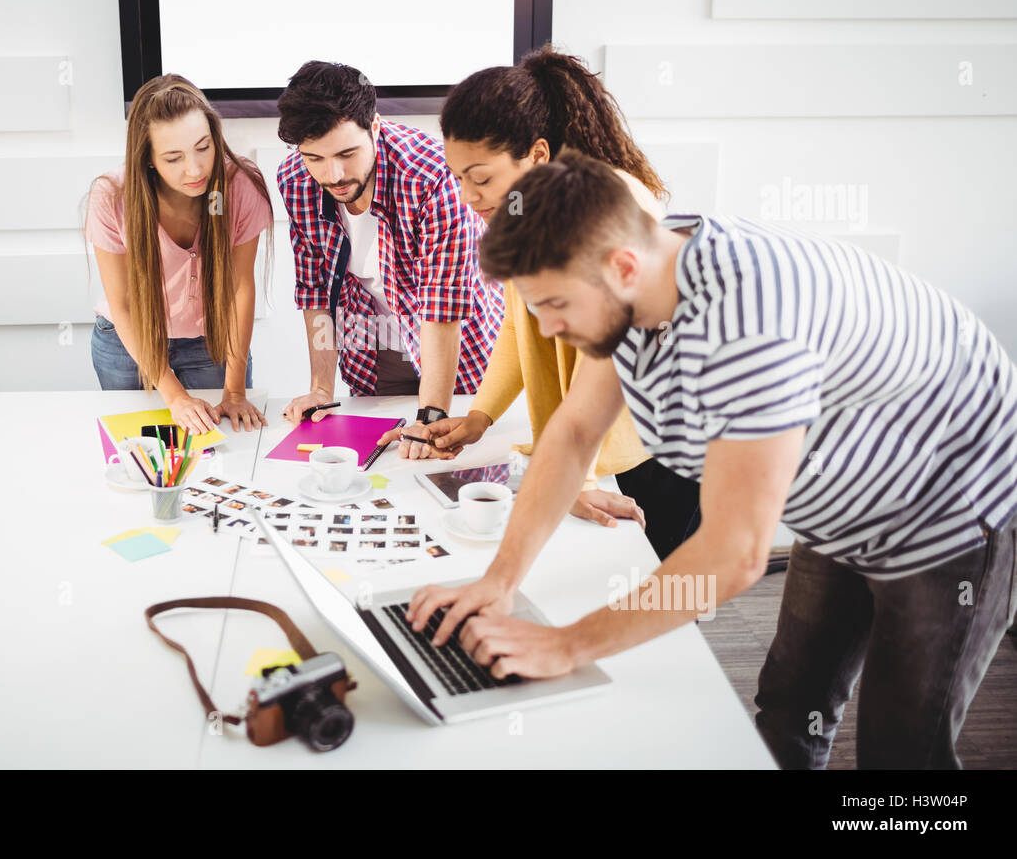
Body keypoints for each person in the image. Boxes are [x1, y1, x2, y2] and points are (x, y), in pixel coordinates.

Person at [407, 150, 1017, 769]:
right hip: (844, 497)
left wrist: (565, 646)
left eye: (555, 305)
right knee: (791, 702)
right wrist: (499, 582)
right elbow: (572, 434)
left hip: (950, 508)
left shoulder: (749, 327)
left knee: (901, 757)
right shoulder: (642, 272)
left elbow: (734, 554)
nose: (547, 327)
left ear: (620, 268)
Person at [381, 45, 701, 557]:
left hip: (655, 448)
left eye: (481, 177)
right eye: (458, 177)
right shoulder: (530, 209)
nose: (467, 195)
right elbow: (519, 326)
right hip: (598, 450)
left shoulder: (606, 210)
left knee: (658, 599)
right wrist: (480, 415)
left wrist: (581, 475)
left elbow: (610, 356)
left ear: (537, 155)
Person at [274, 61, 504, 459]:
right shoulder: (296, 180)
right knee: (384, 469)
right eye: (315, 158)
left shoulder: (433, 179)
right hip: (375, 344)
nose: (334, 174)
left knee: (448, 462)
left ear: (375, 126)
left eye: (348, 153)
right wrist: (321, 389)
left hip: (460, 349)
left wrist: (431, 416)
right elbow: (315, 292)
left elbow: (442, 306)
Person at [85, 74, 272, 435]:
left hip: (210, 341)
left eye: (204, 147)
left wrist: (234, 391)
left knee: (225, 447)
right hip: (128, 342)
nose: (196, 168)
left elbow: (239, 289)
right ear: (149, 159)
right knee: (141, 453)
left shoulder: (236, 188)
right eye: (174, 158)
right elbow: (122, 303)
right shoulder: (112, 197)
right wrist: (174, 396)